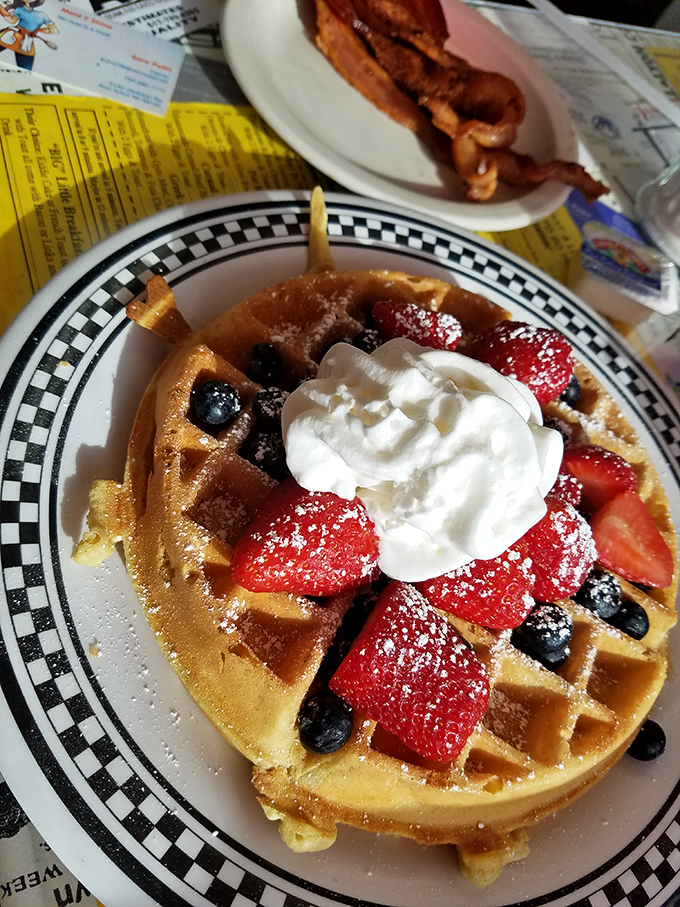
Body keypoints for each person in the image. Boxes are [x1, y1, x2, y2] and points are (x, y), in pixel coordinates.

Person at [0, 0, 58, 70]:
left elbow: (54, 30)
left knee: (25, 69)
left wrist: (37, 30)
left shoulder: (42, 15)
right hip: (12, 34)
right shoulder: (20, 9)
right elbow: (12, 20)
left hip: (25, 41)